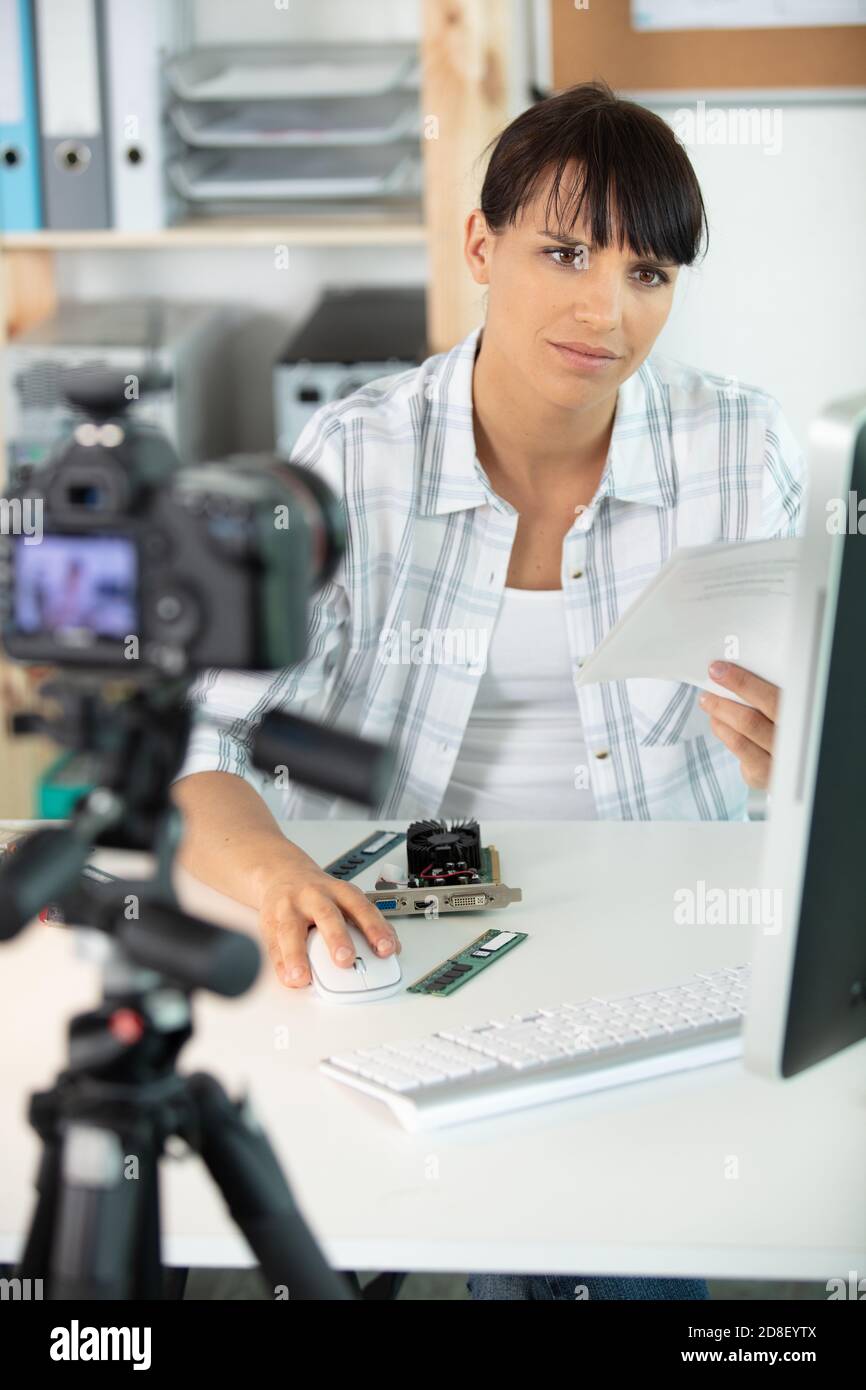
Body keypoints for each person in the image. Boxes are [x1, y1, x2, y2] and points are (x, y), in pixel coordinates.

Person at [170, 81, 804, 1301]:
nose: (602, 310)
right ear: (479, 245)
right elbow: (207, 737)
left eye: (647, 274)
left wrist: (806, 769)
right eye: (562, 252)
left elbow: (821, 738)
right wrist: (277, 875)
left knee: (599, 1270)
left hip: (648, 913)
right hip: (397, 914)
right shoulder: (355, 453)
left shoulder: (741, 445)